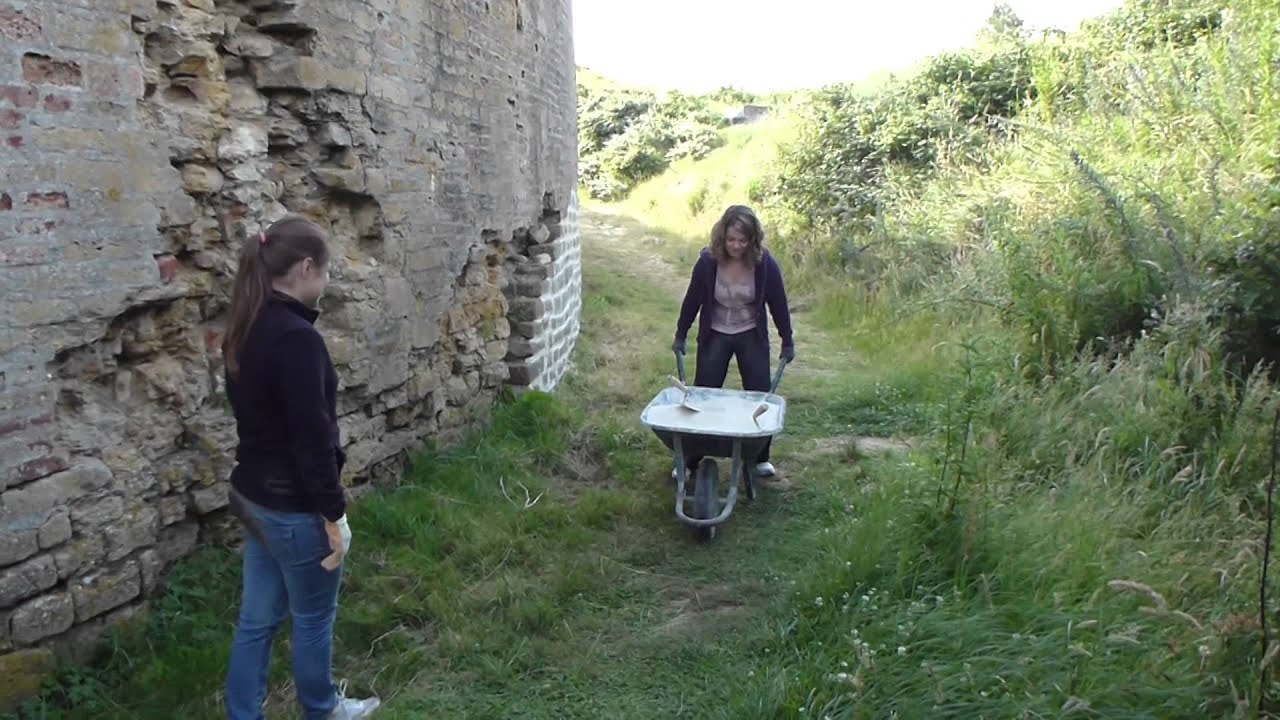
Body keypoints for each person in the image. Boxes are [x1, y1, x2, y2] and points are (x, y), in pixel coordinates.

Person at [221, 216, 380, 720]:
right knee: (312, 617)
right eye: (326, 272)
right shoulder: (296, 338)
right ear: (306, 268)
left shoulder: (245, 323)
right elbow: (312, 438)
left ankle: (243, 714)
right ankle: (322, 708)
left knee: (257, 620)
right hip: (291, 506)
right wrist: (334, 515)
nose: (327, 282)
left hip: (252, 494)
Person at [672, 204, 796, 477]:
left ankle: (758, 457)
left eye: (742, 240)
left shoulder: (764, 264)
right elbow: (692, 299)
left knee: (759, 394)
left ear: (753, 240)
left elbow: (778, 303)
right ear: (721, 236)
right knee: (703, 395)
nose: (736, 246)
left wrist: (787, 339)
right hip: (715, 332)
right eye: (731, 240)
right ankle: (692, 459)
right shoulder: (708, 261)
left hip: (750, 332)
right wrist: (681, 334)